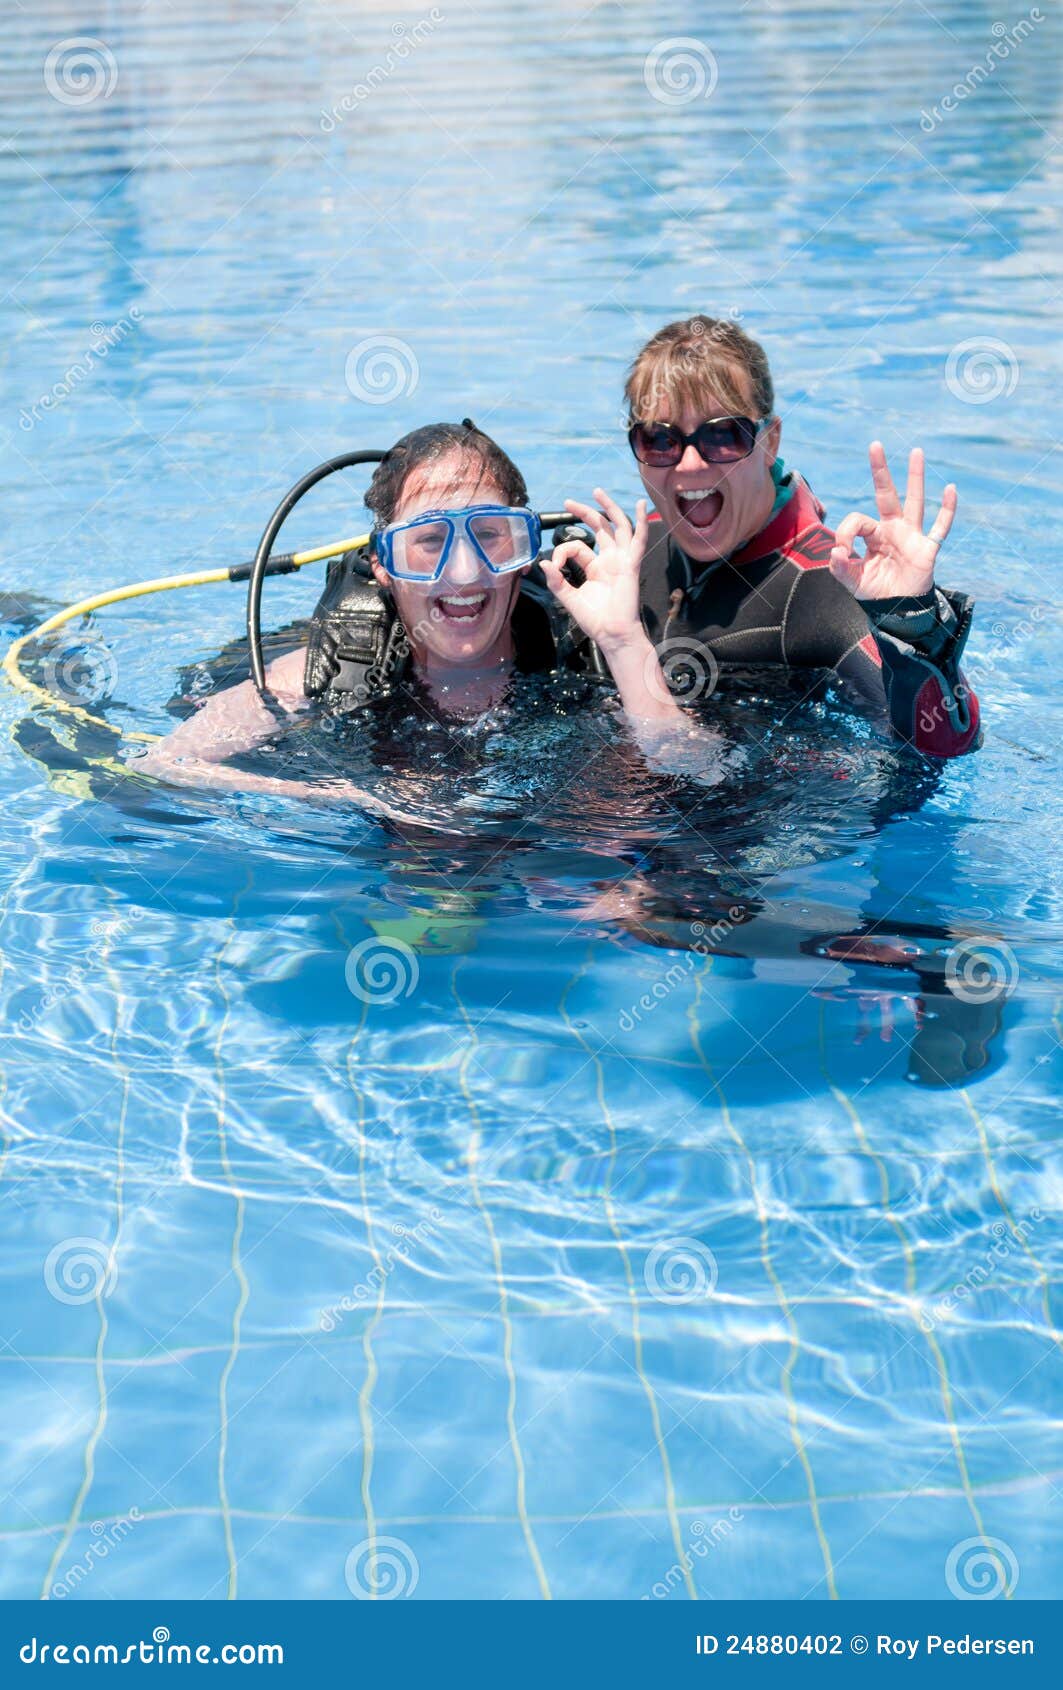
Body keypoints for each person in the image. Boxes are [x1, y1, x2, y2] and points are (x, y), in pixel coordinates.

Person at [139, 420, 685, 801]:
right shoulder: (321, 675)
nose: (465, 572)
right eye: (428, 542)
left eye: (491, 536)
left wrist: (622, 641)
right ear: (383, 565)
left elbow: (695, 772)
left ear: (524, 551)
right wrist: (362, 796)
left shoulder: (585, 657)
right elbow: (165, 765)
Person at [596, 316, 980, 758]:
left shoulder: (824, 591)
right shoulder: (629, 560)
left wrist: (913, 624)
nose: (688, 465)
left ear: (769, 442)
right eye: (658, 440)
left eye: (723, 435)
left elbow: (940, 749)